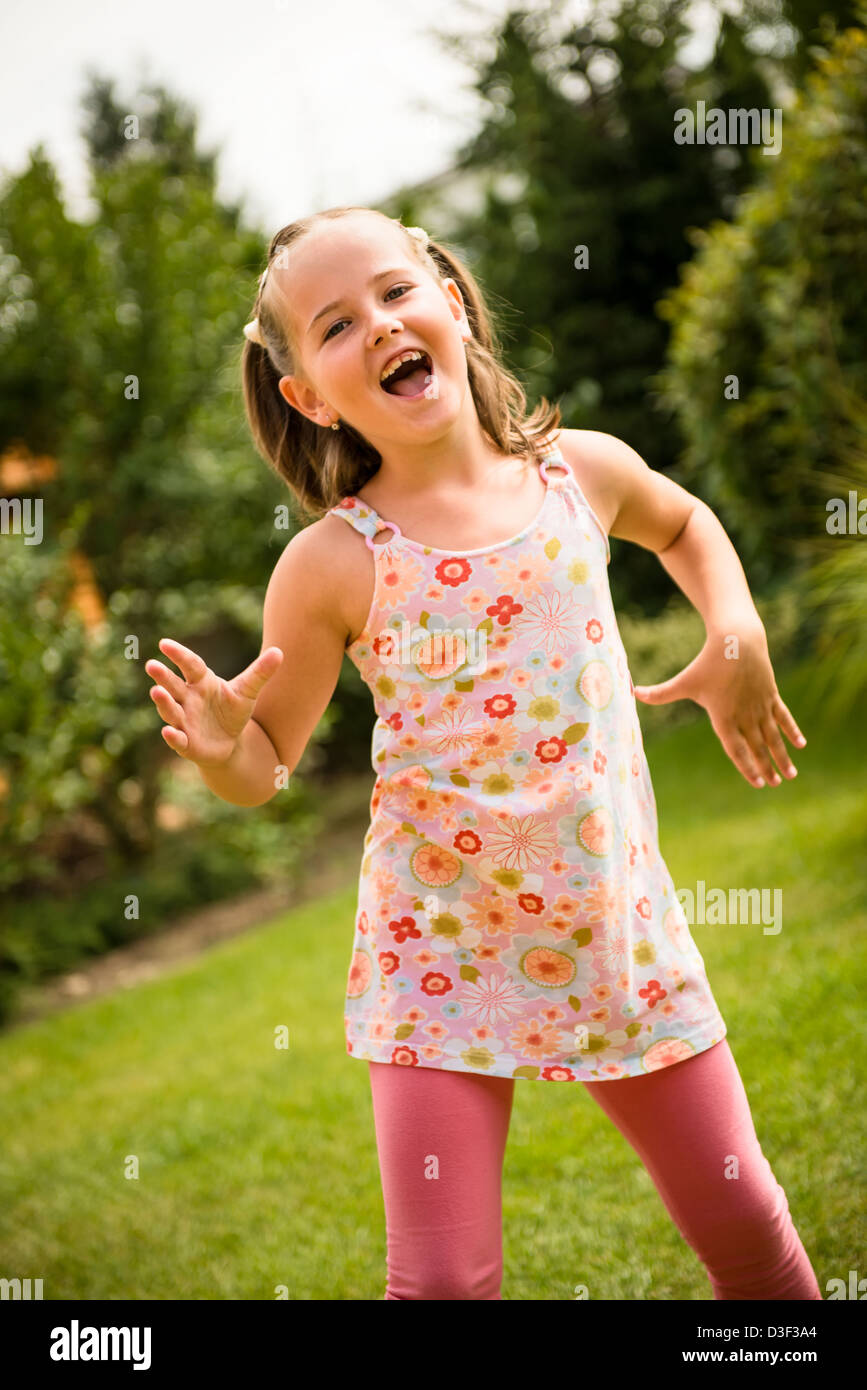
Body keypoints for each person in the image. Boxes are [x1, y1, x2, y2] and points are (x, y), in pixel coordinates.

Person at [146, 205, 821, 1301]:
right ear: (308, 395)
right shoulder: (330, 564)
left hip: (616, 929)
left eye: (396, 293)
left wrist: (735, 633)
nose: (379, 325)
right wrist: (228, 750)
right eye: (333, 325)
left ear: (450, 305)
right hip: (439, 953)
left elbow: (687, 523)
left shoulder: (581, 477)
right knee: (444, 1282)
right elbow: (266, 761)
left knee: (744, 1217)